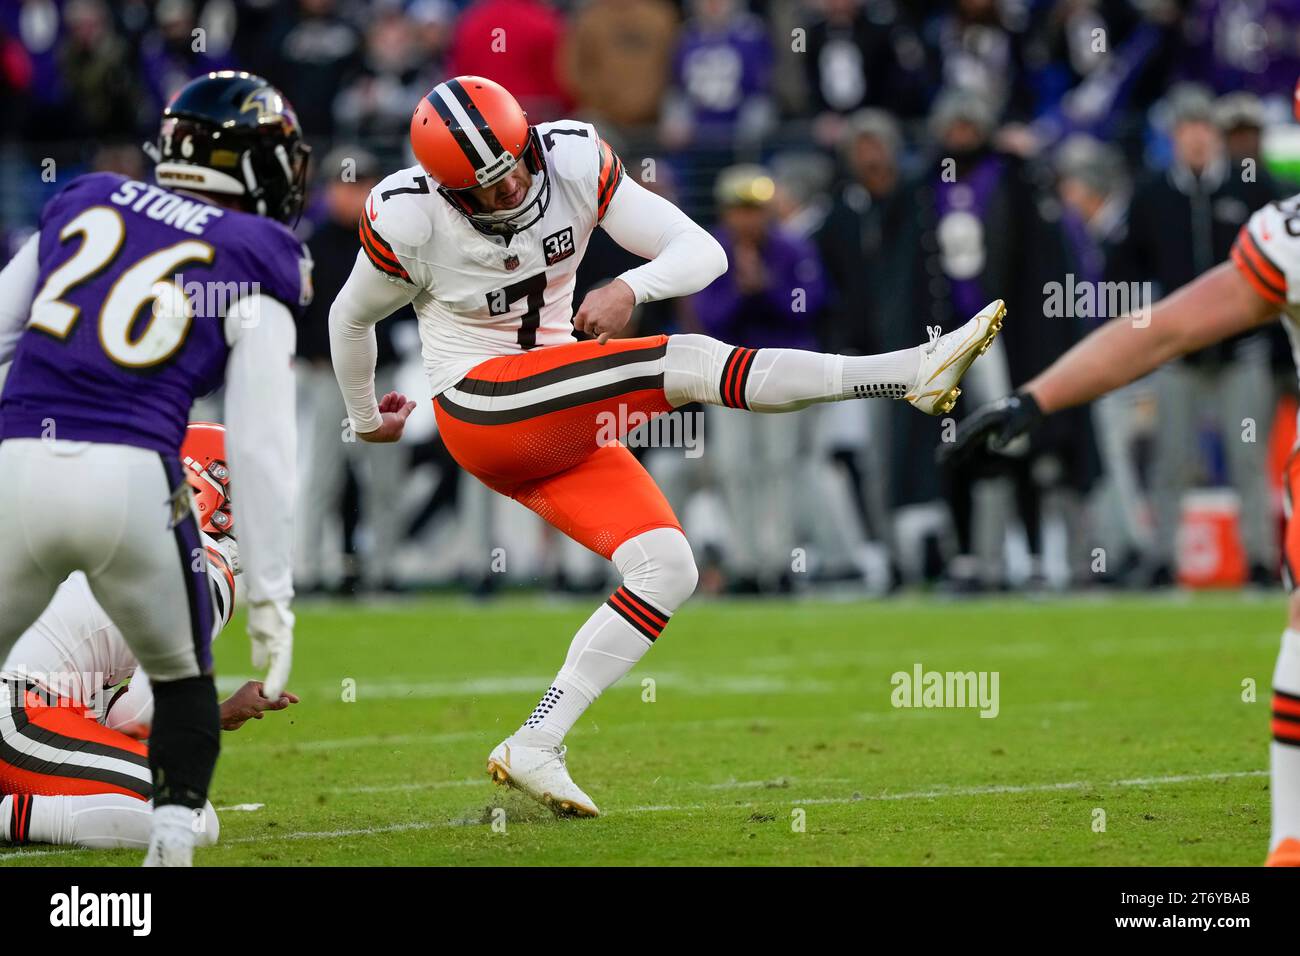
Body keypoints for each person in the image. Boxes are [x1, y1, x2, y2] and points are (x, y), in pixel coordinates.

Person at [329, 75, 1004, 816]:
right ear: (445, 189)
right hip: (482, 404)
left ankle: (536, 743)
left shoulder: (574, 159)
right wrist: (366, 418)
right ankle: (909, 371)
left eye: (515, 167)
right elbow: (349, 317)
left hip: (554, 413)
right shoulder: (408, 214)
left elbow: (700, 250)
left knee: (667, 568)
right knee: (685, 361)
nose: (508, 191)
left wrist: (632, 286)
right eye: (482, 189)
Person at [942, 76, 1300, 870]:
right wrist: (1038, 396)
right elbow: (1161, 328)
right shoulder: (1284, 233)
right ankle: (1289, 842)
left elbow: (1158, 329)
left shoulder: (1281, 224)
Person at [0, 71, 306, 865]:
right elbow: (264, 441)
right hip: (133, 475)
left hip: (22, 457)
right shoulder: (258, 251)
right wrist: (272, 593)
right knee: (184, 721)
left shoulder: (87, 199)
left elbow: (3, 333)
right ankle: (165, 854)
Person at [0, 424, 298, 851]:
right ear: (208, 492)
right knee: (191, 819)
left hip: (27, 708)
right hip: (21, 716)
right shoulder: (203, 567)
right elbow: (136, 714)